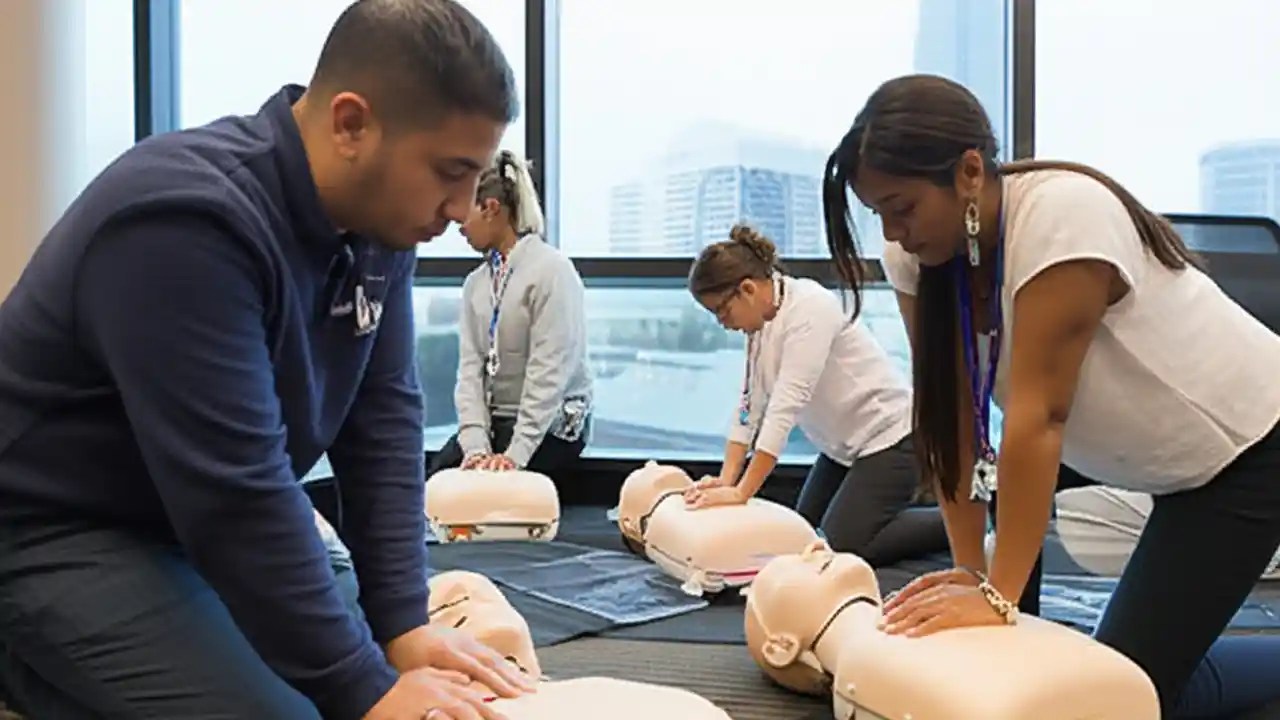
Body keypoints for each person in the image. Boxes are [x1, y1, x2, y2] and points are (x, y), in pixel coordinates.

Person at [0, 1, 538, 718]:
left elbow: (381, 421)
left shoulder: (379, 228)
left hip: (182, 518)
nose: (463, 207)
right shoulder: (183, 223)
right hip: (51, 528)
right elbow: (237, 494)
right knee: (308, 707)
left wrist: (403, 624)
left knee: (358, 640)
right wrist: (365, 689)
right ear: (351, 123)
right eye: (450, 172)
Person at [821, 73, 1280, 718]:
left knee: (1127, 697)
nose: (894, 234)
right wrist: (970, 577)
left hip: (1245, 448)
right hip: (1126, 444)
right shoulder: (920, 258)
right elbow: (953, 422)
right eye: (879, 215)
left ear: (970, 173)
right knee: (1002, 587)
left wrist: (996, 597)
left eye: (903, 207)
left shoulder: (1065, 218)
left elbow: (1038, 416)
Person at [682, 223, 949, 567]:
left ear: (747, 289)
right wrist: (725, 478)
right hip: (843, 447)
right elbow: (749, 405)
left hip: (893, 437)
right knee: (801, 534)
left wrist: (741, 492)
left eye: (721, 310)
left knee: (846, 543)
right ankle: (888, 503)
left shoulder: (810, 308)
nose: (722, 322)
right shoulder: (760, 324)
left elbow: (783, 409)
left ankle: (960, 519)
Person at [428, 150, 592, 478]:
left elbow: (550, 372)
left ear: (491, 209)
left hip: (553, 422)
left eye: (464, 212)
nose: (458, 225)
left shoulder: (552, 271)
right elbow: (470, 374)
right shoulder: (476, 284)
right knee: (443, 474)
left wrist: (515, 455)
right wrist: (475, 446)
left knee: (492, 484)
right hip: (498, 420)